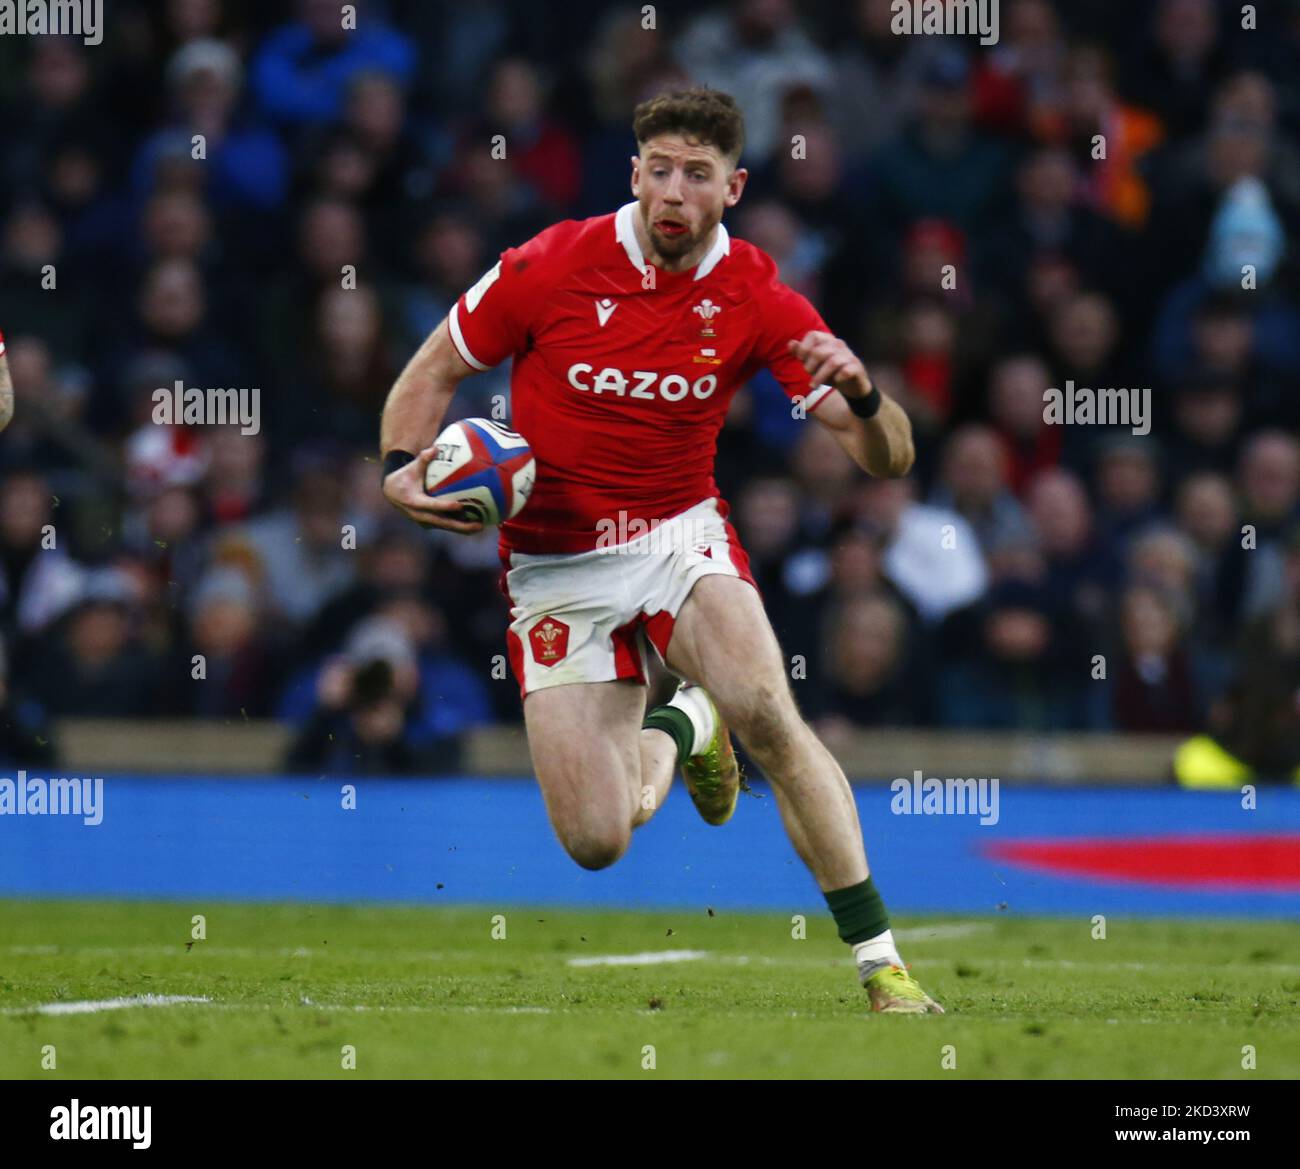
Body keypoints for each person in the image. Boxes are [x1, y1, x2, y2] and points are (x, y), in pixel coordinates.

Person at [379, 88, 941, 1014]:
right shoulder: (550, 263)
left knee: (768, 709)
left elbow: (889, 458)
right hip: (552, 566)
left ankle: (882, 964)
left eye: (699, 175)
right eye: (661, 170)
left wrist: (870, 400)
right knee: (599, 839)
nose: (675, 191)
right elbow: (437, 365)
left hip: (678, 533)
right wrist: (401, 467)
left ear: (734, 186)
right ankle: (683, 726)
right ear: (635, 173)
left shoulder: (758, 293)